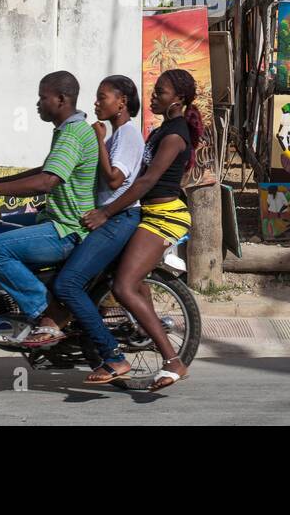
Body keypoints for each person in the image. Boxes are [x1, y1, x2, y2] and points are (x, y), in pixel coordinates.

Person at [79, 69, 200, 390]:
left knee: (123, 285)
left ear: (179, 98)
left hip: (164, 216)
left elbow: (146, 181)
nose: (153, 97)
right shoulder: (162, 131)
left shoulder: (175, 135)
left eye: (161, 92)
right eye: (154, 91)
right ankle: (143, 327)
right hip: (148, 212)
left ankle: (173, 361)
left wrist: (107, 212)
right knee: (122, 275)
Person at [0, 71, 98, 340]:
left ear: (60, 99)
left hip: (67, 229)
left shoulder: (72, 134)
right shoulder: (68, 130)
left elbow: (45, 182)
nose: (37, 104)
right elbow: (43, 170)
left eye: (42, 97)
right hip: (54, 220)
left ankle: (48, 309)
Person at [19, 76, 145, 363]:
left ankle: (111, 355)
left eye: (103, 97)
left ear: (121, 102)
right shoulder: (116, 136)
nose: (96, 103)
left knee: (68, 284)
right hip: (103, 216)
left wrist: (98, 140)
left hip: (116, 218)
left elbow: (114, 180)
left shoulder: (128, 136)